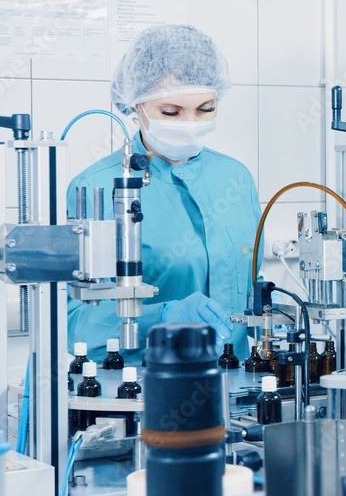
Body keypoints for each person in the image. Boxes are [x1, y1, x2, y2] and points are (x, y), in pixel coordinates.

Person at [67, 25, 262, 362]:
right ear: (136, 105)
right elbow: (74, 323)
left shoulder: (235, 178)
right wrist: (161, 316)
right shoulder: (96, 187)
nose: (189, 122)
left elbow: (253, 286)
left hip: (238, 386)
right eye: (171, 112)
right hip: (144, 389)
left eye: (205, 109)